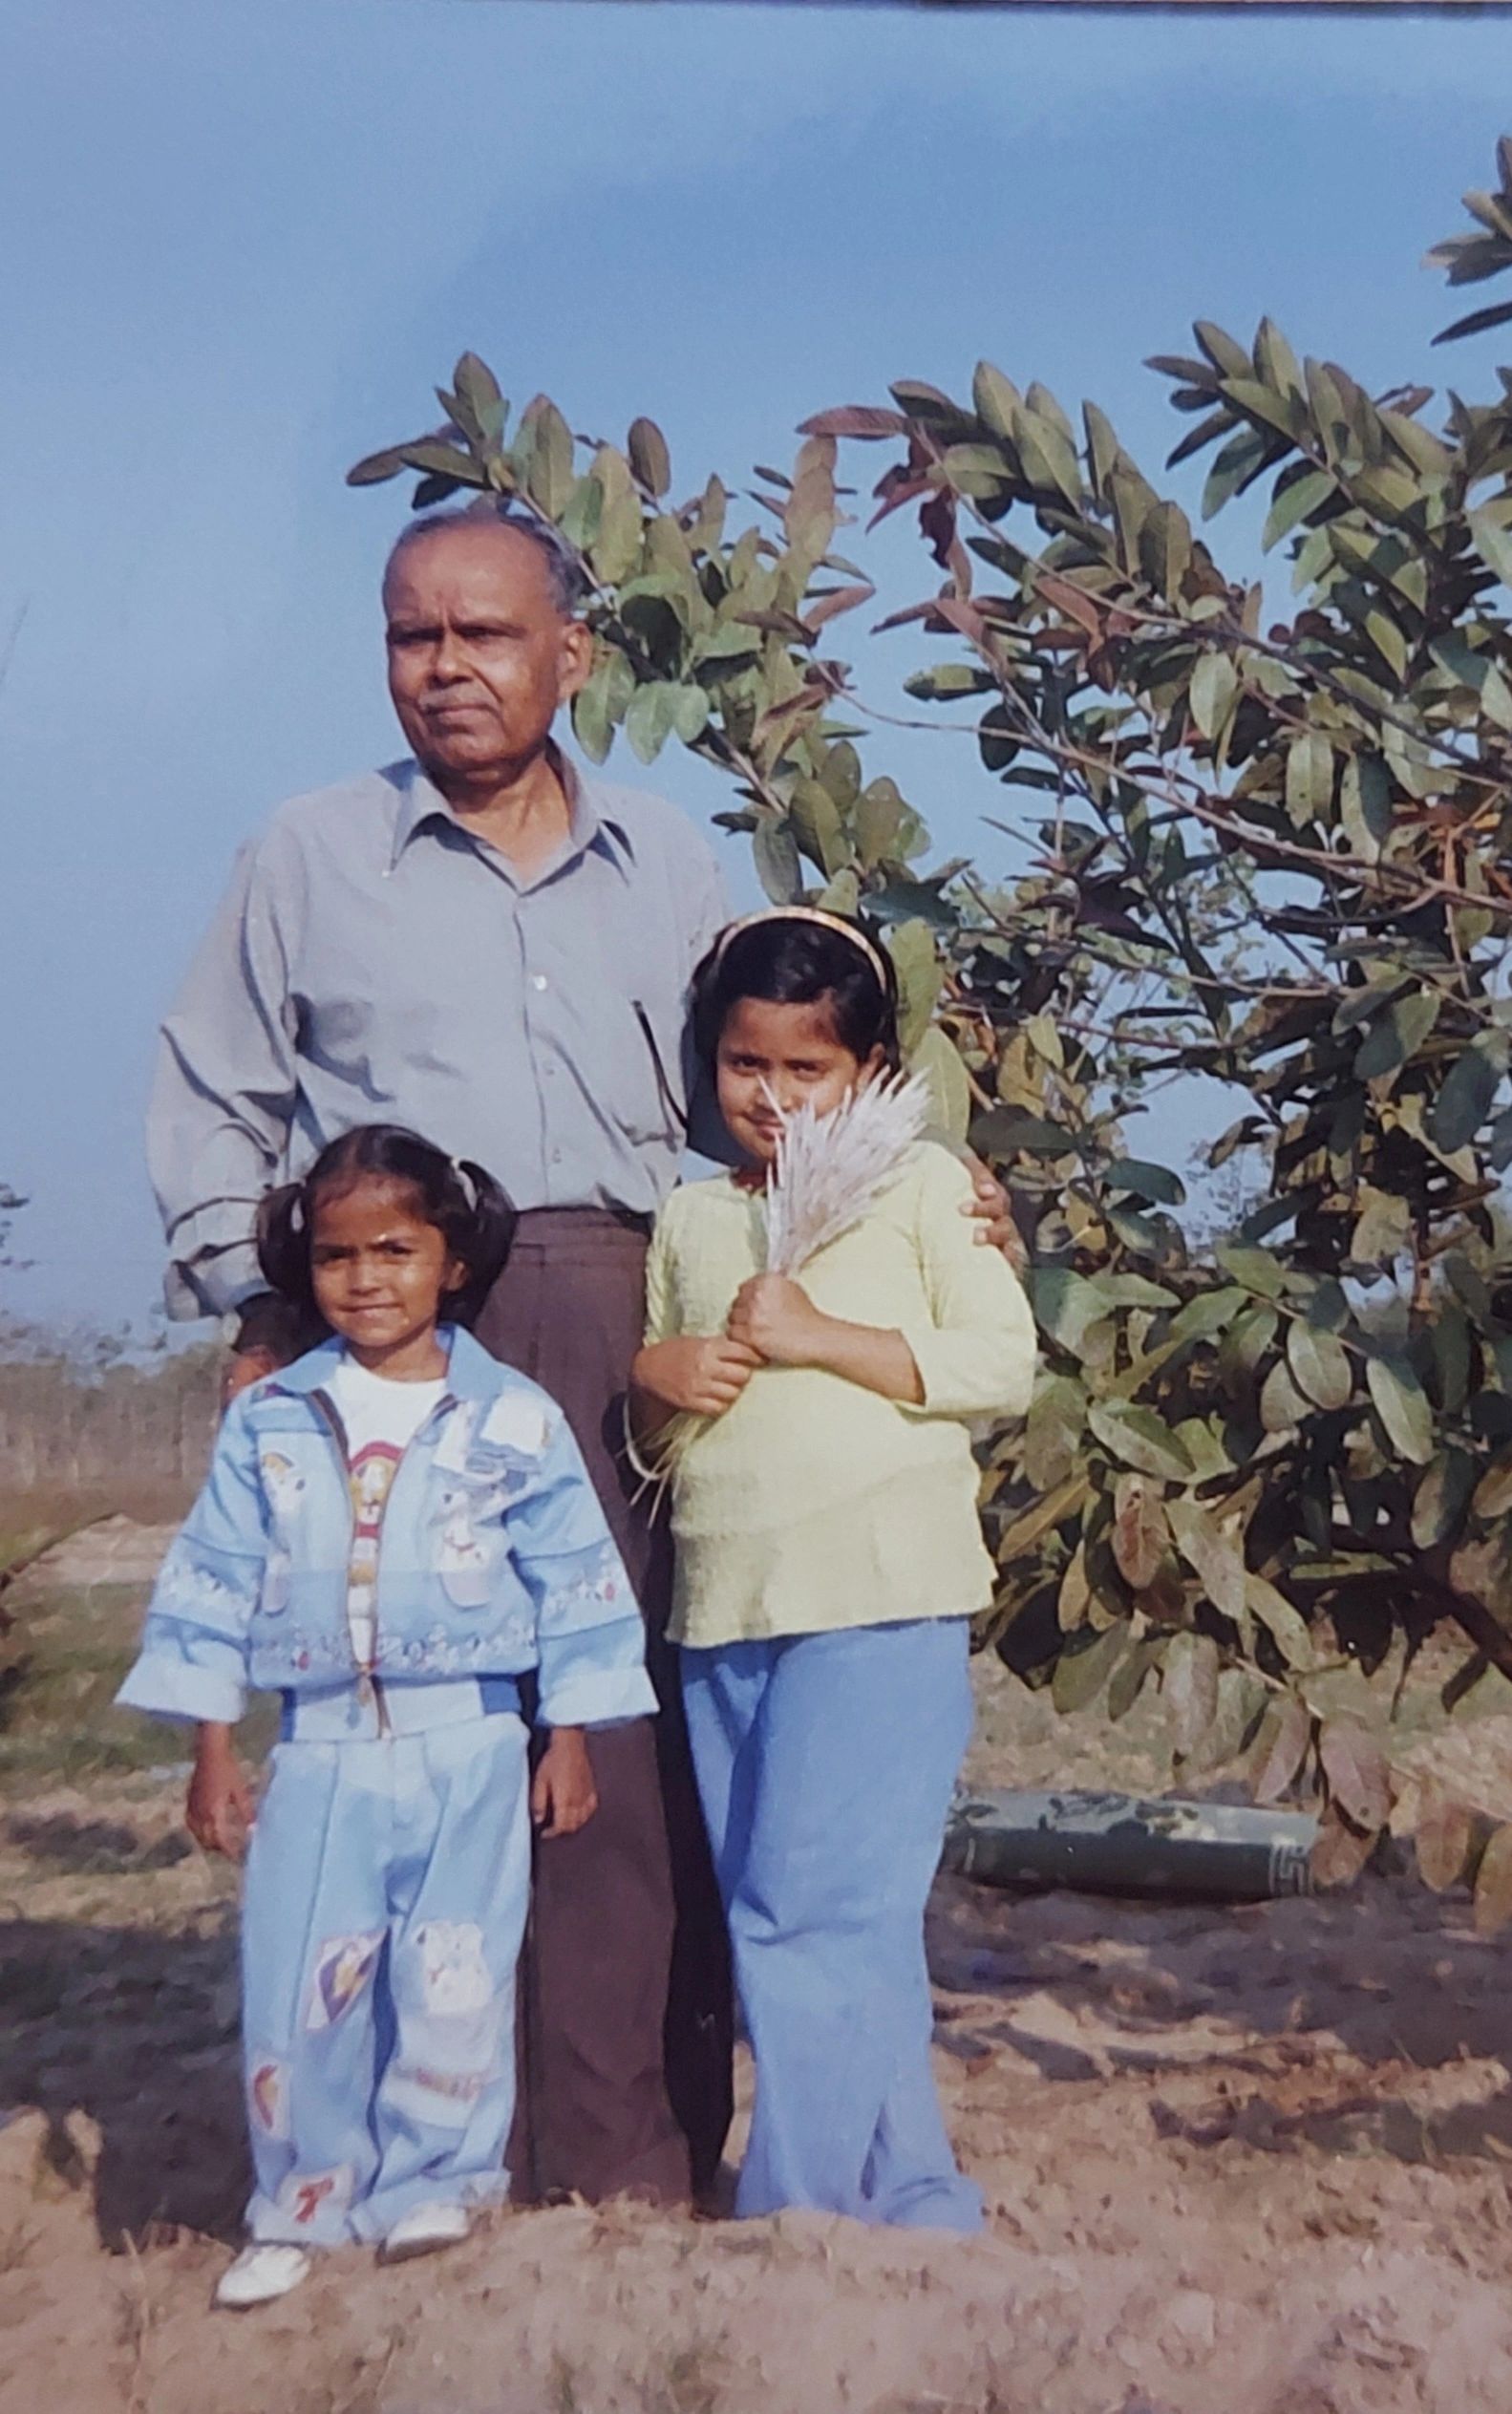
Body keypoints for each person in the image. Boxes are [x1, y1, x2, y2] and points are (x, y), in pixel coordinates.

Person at [147, 498, 1018, 2207]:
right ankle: (424, 2146)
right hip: (416, 1328)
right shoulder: (305, 858)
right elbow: (213, 1100)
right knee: (429, 1729)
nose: (449, 668)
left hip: (638, 1315)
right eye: (415, 636)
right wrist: (265, 1317)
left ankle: (623, 2159)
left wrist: (944, 1186)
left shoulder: (672, 863)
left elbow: (777, 1105)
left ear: (572, 653)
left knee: (621, 1753)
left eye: (485, 633)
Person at [117, 1125, 655, 2307]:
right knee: (302, 1980)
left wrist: (566, 1733)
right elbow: (213, 1579)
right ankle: (300, 2201)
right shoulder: (273, 1422)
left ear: (451, 1260)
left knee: (451, 1971)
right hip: (319, 1751)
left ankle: (437, 2178)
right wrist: (213, 1747)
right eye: (336, 1256)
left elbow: (574, 1578)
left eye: (395, 1250)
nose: (366, 1279)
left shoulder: (511, 1417)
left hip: (469, 1742)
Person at [629, 908, 1037, 2232]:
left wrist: (817, 1330)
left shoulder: (927, 1186)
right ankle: (909, 2190)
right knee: (789, 1909)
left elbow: (995, 1365)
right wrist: (653, 1383)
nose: (773, 1096)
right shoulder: (689, 1214)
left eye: (808, 1070)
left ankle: (793, 2203)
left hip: (877, 1591)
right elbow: (669, 1417)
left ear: (868, 1067)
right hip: (725, 1598)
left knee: (816, 1907)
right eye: (746, 1065)